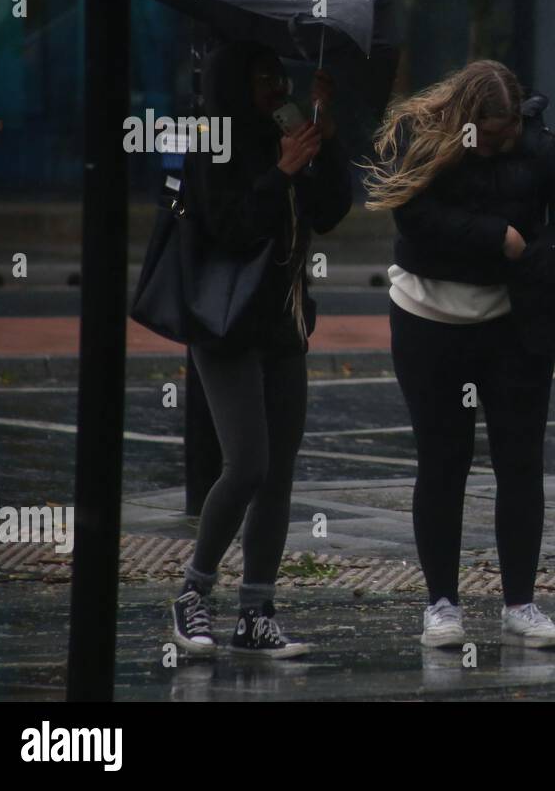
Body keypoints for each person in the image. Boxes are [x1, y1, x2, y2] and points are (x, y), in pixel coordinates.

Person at [365, 60, 555, 649]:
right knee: (443, 463)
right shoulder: (420, 137)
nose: (498, 143)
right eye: (488, 135)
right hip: (428, 321)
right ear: (466, 121)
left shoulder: (538, 145)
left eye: (507, 131)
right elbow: (413, 218)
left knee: (520, 465)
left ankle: (522, 603)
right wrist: (498, 236)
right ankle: (442, 605)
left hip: (513, 327)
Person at [171, 40, 352, 658]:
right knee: (246, 463)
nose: (278, 87)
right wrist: (280, 172)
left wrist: (325, 142)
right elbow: (229, 226)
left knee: (277, 473)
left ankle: (257, 611)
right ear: (232, 83)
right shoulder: (212, 141)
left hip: (282, 319)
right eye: (265, 77)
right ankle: (193, 593)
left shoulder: (290, 132)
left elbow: (329, 213)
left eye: (282, 75)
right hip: (224, 321)